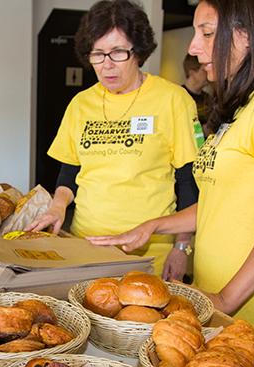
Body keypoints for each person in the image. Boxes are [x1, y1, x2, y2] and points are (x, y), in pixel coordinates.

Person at [87, 0, 254, 336]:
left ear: (246, 36)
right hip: (209, 294)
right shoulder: (241, 103)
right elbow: (218, 204)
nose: (194, 48)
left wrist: (225, 298)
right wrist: (154, 225)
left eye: (207, 33)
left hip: (242, 310)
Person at [25, 0, 203, 281]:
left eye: (118, 52)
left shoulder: (173, 100)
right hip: (86, 245)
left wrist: (182, 246)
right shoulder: (80, 104)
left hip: (147, 253)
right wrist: (58, 205)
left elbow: (188, 183)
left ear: (138, 51)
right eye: (97, 54)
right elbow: (69, 172)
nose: (107, 65)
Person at [182, 53, 210, 135]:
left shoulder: (208, 98)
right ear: (192, 74)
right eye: (204, 70)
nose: (208, 72)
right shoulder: (180, 96)